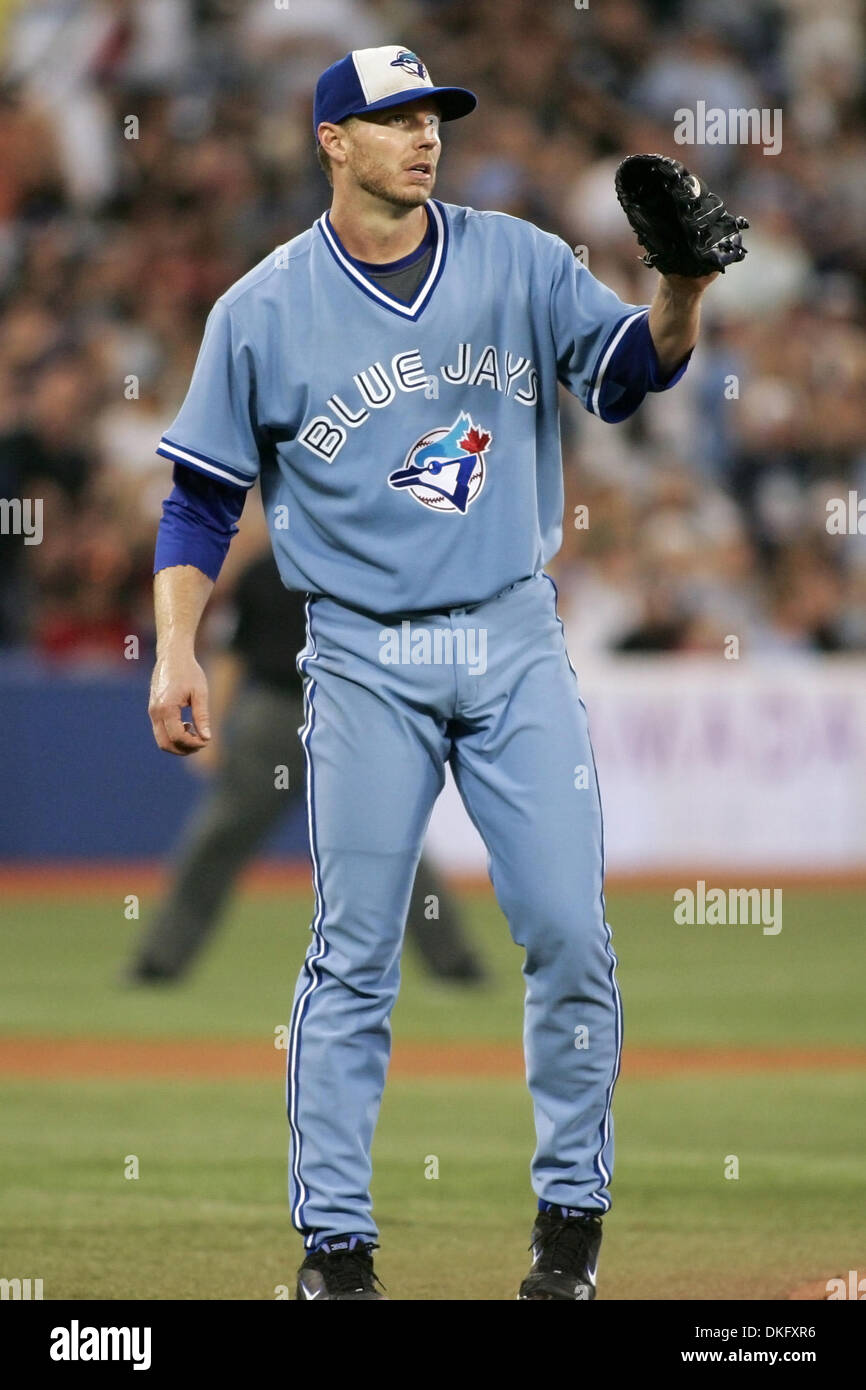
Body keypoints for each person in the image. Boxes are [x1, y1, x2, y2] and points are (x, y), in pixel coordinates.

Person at [147, 45, 716, 1300]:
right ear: (331, 142)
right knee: (353, 950)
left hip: (511, 634)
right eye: (393, 117)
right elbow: (198, 499)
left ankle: (567, 1232)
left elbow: (631, 375)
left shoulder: (514, 256)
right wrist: (176, 647)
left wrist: (677, 285)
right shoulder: (260, 307)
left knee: (568, 928)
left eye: (433, 115)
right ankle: (335, 1252)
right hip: (357, 650)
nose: (424, 134)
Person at [129, 547, 484, 985]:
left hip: (346, 711)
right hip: (280, 712)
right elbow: (232, 652)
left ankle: (454, 961)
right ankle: (160, 959)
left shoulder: (365, 557)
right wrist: (212, 726)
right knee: (221, 837)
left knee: (393, 839)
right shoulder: (268, 569)